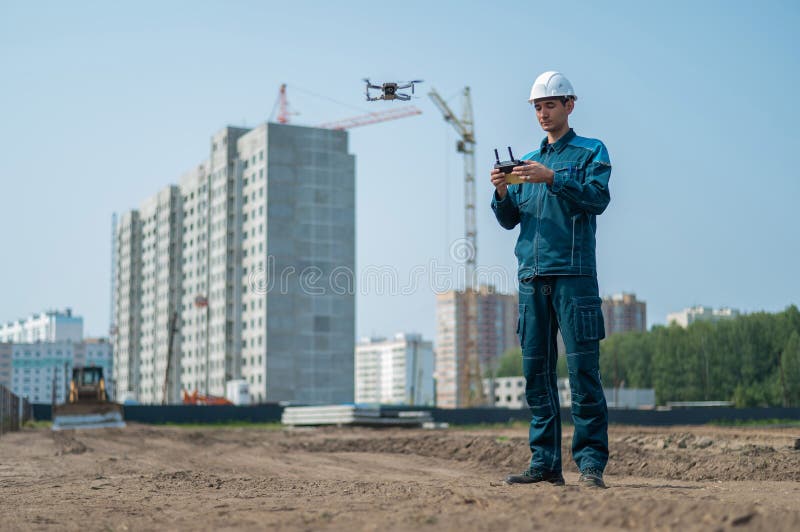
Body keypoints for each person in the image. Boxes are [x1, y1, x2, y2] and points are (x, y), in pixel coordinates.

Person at [490, 71, 611, 489]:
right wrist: (502, 192)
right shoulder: (525, 163)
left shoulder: (591, 151)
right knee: (535, 375)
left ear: (569, 106)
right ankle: (544, 464)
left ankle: (591, 464)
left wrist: (554, 178)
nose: (543, 113)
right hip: (531, 278)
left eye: (550, 105)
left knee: (583, 373)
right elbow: (510, 222)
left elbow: (598, 199)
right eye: (537, 107)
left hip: (574, 277)